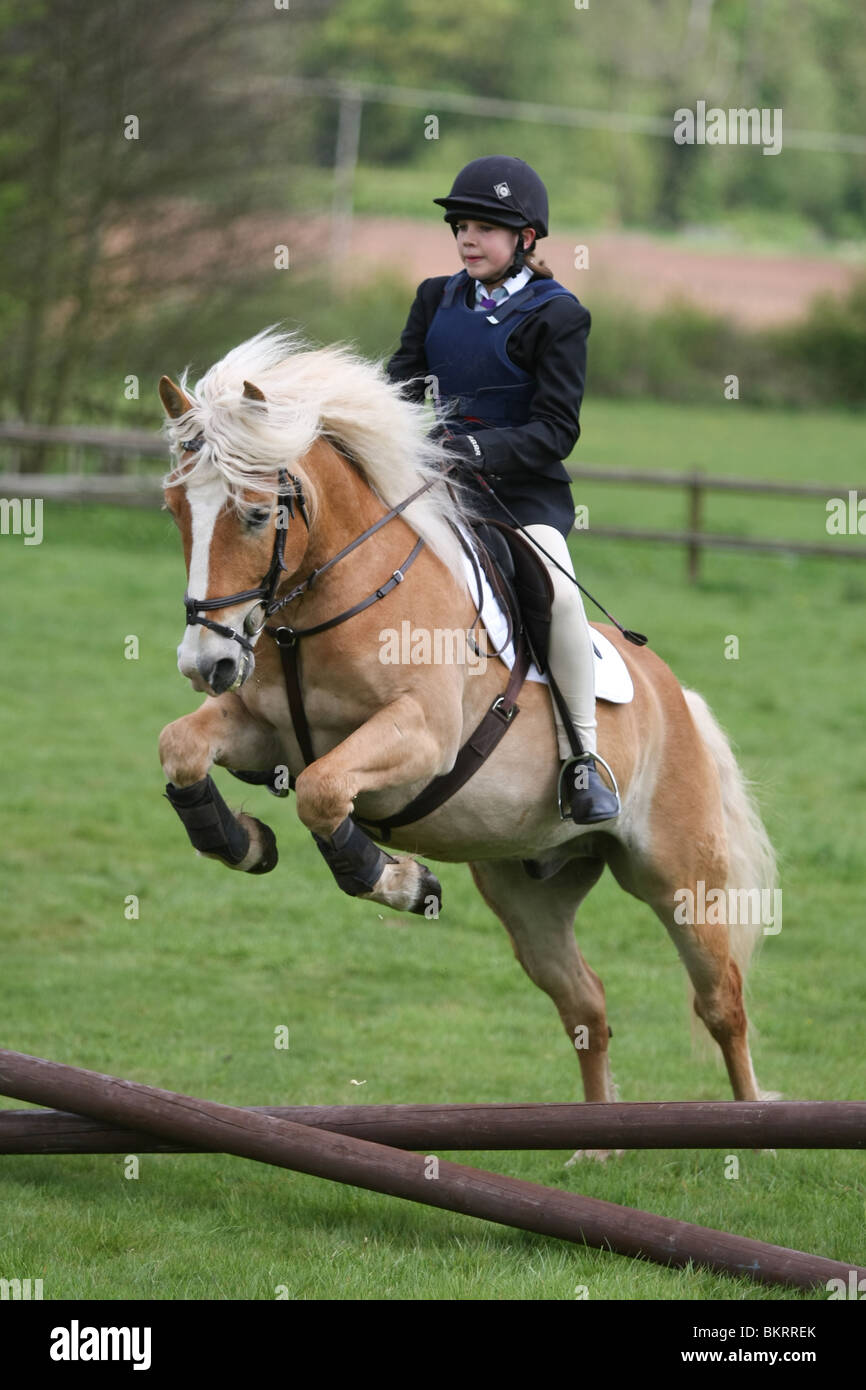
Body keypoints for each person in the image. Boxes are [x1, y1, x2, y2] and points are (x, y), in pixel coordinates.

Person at [386, 154, 620, 824]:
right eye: (461, 223)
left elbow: (555, 430)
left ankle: (583, 759)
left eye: (485, 226)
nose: (467, 237)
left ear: (525, 238)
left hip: (523, 496)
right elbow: (399, 387)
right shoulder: (436, 297)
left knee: (562, 598)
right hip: (436, 485)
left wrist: (472, 447)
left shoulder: (559, 315)